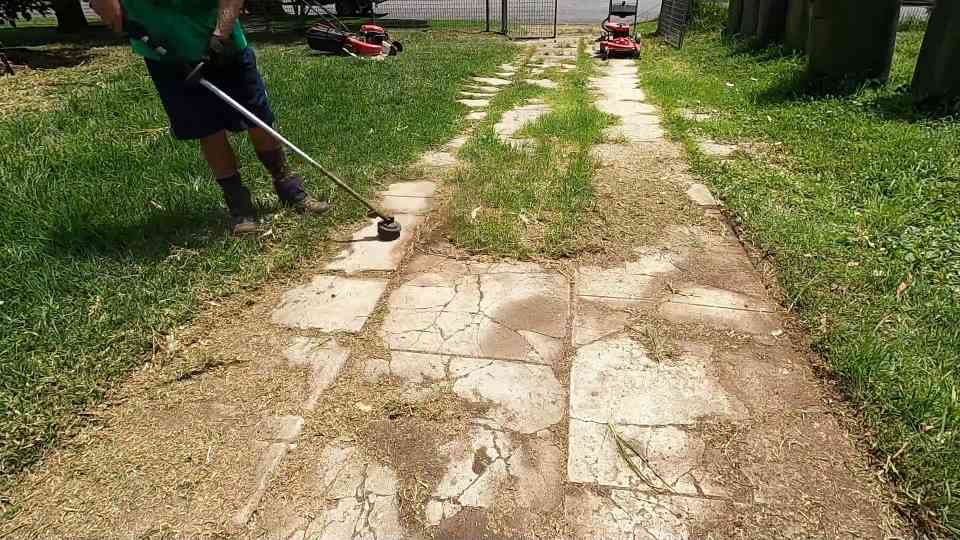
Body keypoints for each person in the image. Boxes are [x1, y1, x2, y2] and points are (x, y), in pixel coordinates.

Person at [90, 0, 330, 235]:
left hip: (223, 47)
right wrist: (116, 16)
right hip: (166, 58)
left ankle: (289, 188)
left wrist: (219, 37)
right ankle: (239, 205)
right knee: (207, 129)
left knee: (258, 119)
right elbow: (106, 8)